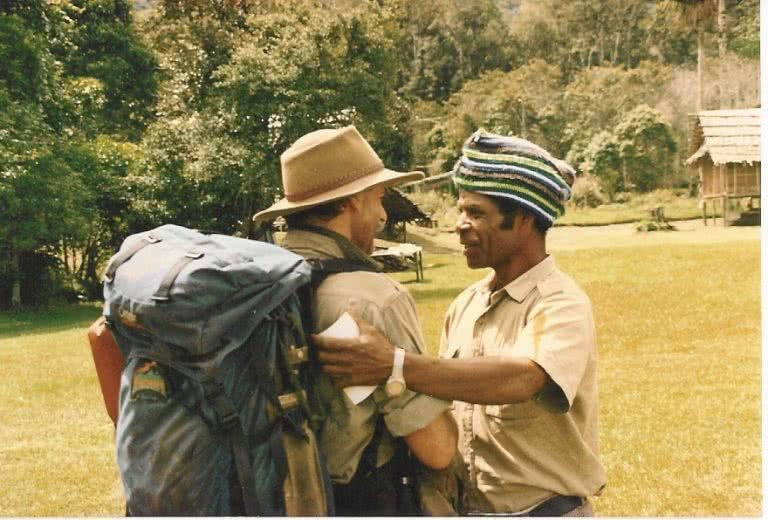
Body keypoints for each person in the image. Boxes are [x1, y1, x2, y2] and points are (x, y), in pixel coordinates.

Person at [313, 129, 606, 516]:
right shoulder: (466, 304)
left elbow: (524, 377)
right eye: (460, 210)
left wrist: (394, 365)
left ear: (523, 219)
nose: (460, 224)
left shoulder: (559, 303)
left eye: (476, 213)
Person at [253, 125, 458, 516]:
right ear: (352, 202)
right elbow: (437, 449)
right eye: (378, 197)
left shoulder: (255, 285)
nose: (382, 214)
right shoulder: (375, 298)